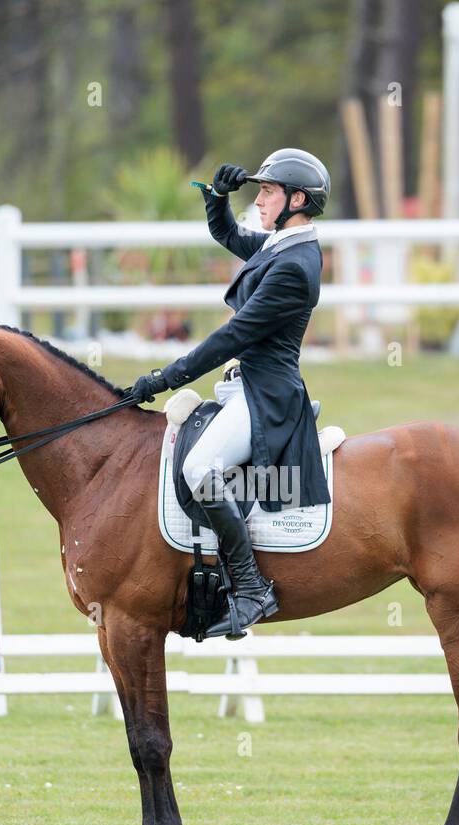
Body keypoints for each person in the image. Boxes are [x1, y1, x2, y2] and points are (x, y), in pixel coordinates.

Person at [125, 148, 332, 639]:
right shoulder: (280, 244)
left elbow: (232, 337)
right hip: (246, 388)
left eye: (267, 192)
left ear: (297, 199)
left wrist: (166, 377)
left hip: (267, 396)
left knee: (199, 468)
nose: (258, 200)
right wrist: (218, 197)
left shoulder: (294, 265)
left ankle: (251, 587)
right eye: (257, 191)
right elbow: (229, 234)